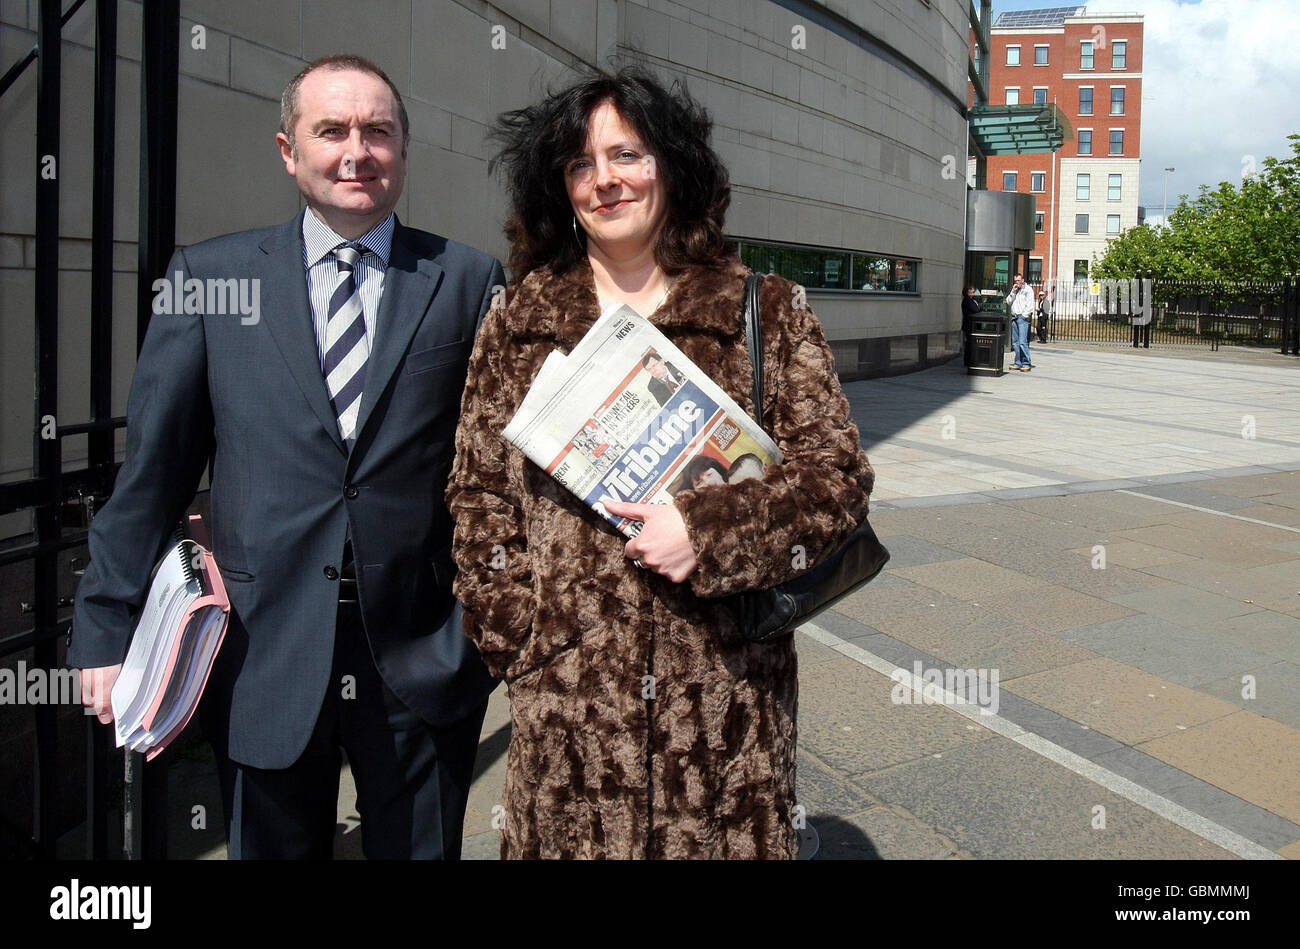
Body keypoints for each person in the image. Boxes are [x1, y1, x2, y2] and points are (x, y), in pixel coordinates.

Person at [68, 54, 504, 859]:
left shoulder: (468, 280)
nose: (355, 151)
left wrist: (482, 629)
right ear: (286, 149)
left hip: (417, 655)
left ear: (404, 149)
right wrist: (104, 621)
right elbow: (155, 470)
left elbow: (503, 470)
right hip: (261, 652)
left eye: (378, 131)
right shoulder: (209, 277)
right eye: (330, 130)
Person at [447, 66, 874, 859]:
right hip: (569, 716)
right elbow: (478, 500)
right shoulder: (518, 324)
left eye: (628, 155)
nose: (605, 180)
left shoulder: (764, 311)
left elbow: (837, 479)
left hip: (723, 709)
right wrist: (522, 640)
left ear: (672, 166)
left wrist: (708, 530)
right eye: (581, 164)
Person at [1006, 272, 1036, 371]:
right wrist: (1013, 292)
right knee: (1015, 342)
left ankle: (1026, 362)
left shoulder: (1028, 290)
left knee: (1023, 342)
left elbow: (1030, 304)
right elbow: (1008, 302)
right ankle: (1018, 362)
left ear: (1023, 280)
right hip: (1014, 317)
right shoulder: (1014, 290)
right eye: (1015, 281)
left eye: (1019, 280)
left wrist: (1024, 315)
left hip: (1022, 318)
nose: (1017, 282)